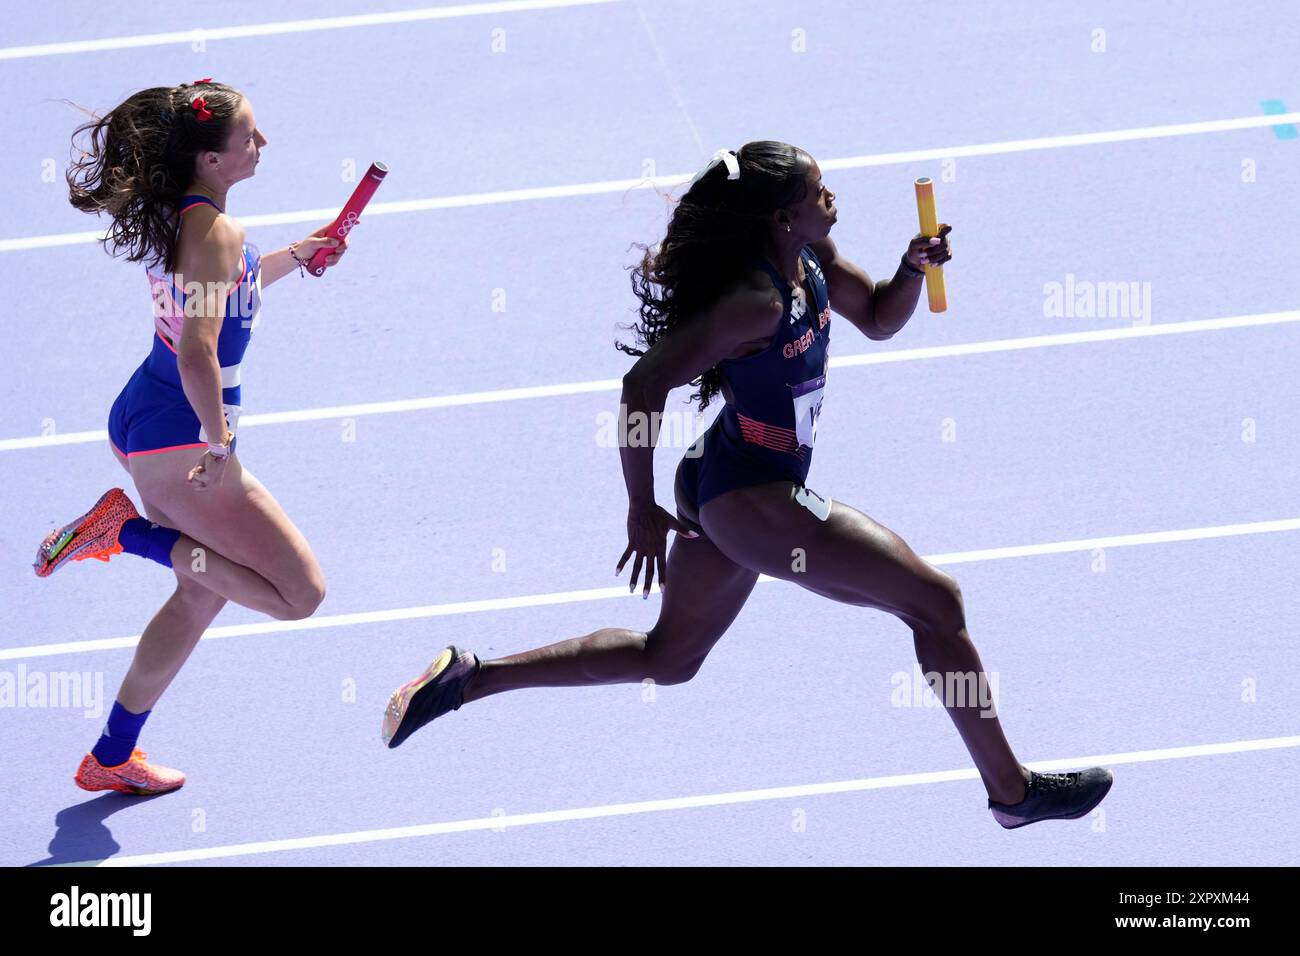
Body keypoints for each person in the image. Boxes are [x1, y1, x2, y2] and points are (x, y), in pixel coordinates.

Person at [384, 140, 1112, 829]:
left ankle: (470, 679)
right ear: (779, 216)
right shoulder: (754, 302)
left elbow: (883, 318)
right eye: (816, 190)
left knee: (668, 659)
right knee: (936, 604)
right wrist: (639, 508)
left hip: (722, 480)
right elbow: (641, 386)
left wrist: (914, 267)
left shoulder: (812, 259)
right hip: (751, 500)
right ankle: (1011, 794)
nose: (832, 196)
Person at [36, 78, 349, 796]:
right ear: (211, 158)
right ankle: (124, 533)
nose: (261, 144)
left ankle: (112, 754)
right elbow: (198, 352)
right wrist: (219, 445)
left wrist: (298, 255)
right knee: (300, 594)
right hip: (183, 435)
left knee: (202, 590)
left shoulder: (193, 221)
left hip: (146, 417)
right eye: (249, 137)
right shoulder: (216, 234)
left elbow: (220, 295)